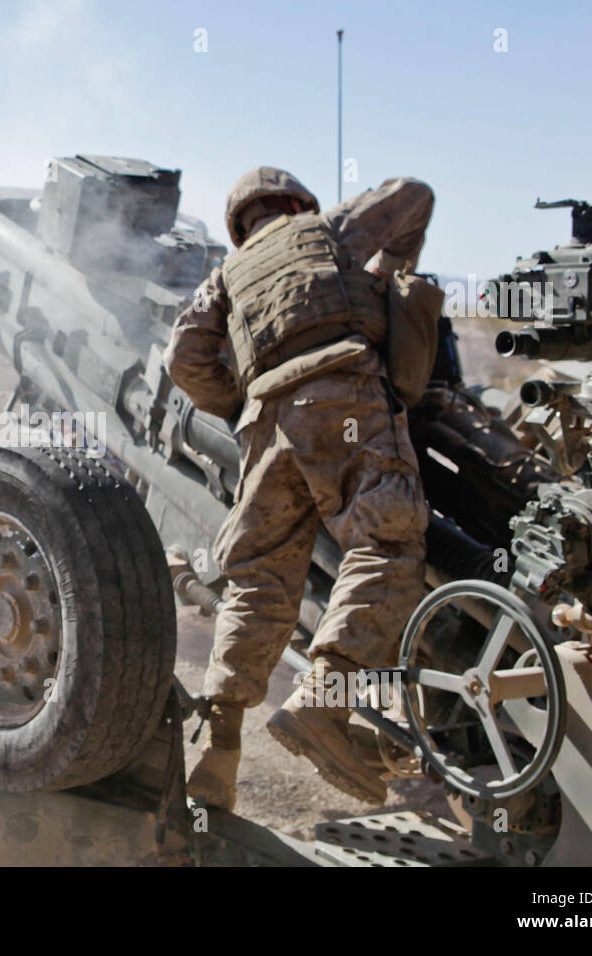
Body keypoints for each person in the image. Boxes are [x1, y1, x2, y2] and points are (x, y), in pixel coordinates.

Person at [164, 169, 434, 810]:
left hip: (266, 422)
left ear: (240, 226)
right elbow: (414, 193)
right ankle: (324, 701)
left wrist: (236, 401)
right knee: (388, 540)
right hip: (344, 387)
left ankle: (218, 755)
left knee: (258, 581)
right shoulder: (325, 229)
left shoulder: (226, 277)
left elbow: (183, 356)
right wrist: (392, 274)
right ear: (293, 204)